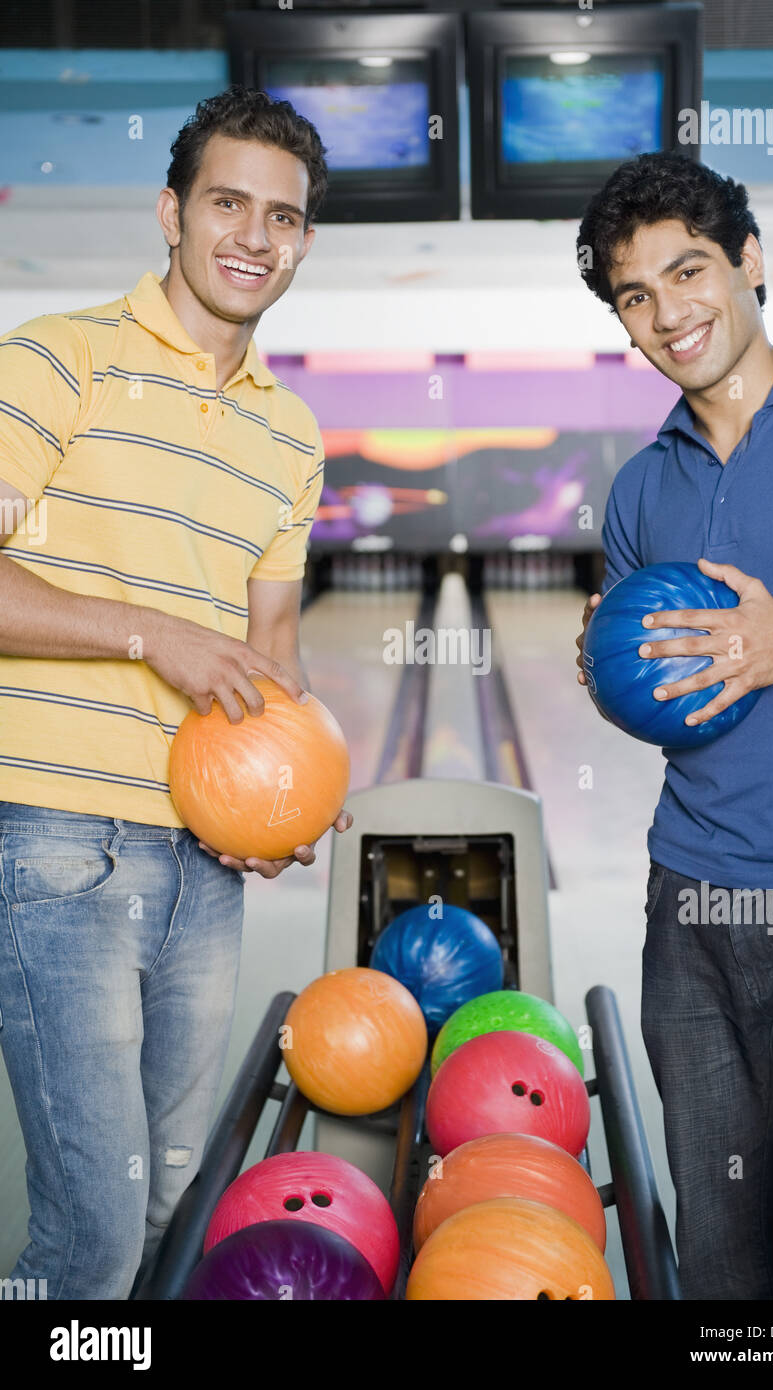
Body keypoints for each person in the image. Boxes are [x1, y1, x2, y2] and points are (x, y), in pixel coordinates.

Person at [0, 86, 351, 1299]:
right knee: (91, 1233)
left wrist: (298, 792)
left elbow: (270, 655)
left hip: (205, 861)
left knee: (163, 1196)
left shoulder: (291, 435)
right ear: (170, 212)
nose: (254, 235)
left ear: (302, 241)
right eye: (226, 203)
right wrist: (153, 634)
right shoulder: (57, 360)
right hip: (58, 844)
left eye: (283, 217)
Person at [574, 152, 773, 1301]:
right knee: (723, 1263)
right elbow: (654, 690)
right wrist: (603, 670)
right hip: (693, 903)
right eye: (634, 295)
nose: (667, 313)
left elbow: (768, 643)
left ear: (748, 262)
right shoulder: (641, 489)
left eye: (686, 270)